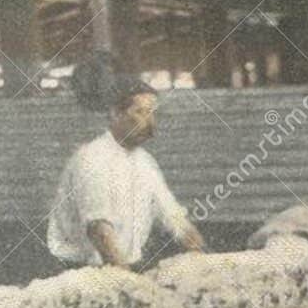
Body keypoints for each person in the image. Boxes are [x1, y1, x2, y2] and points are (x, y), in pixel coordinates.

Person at [47, 82, 205, 269]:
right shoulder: (92, 157)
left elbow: (173, 216)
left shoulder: (145, 162)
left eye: (153, 113)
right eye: (141, 112)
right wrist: (126, 279)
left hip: (121, 265)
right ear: (116, 114)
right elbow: (99, 229)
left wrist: (201, 258)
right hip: (80, 271)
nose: (150, 123)